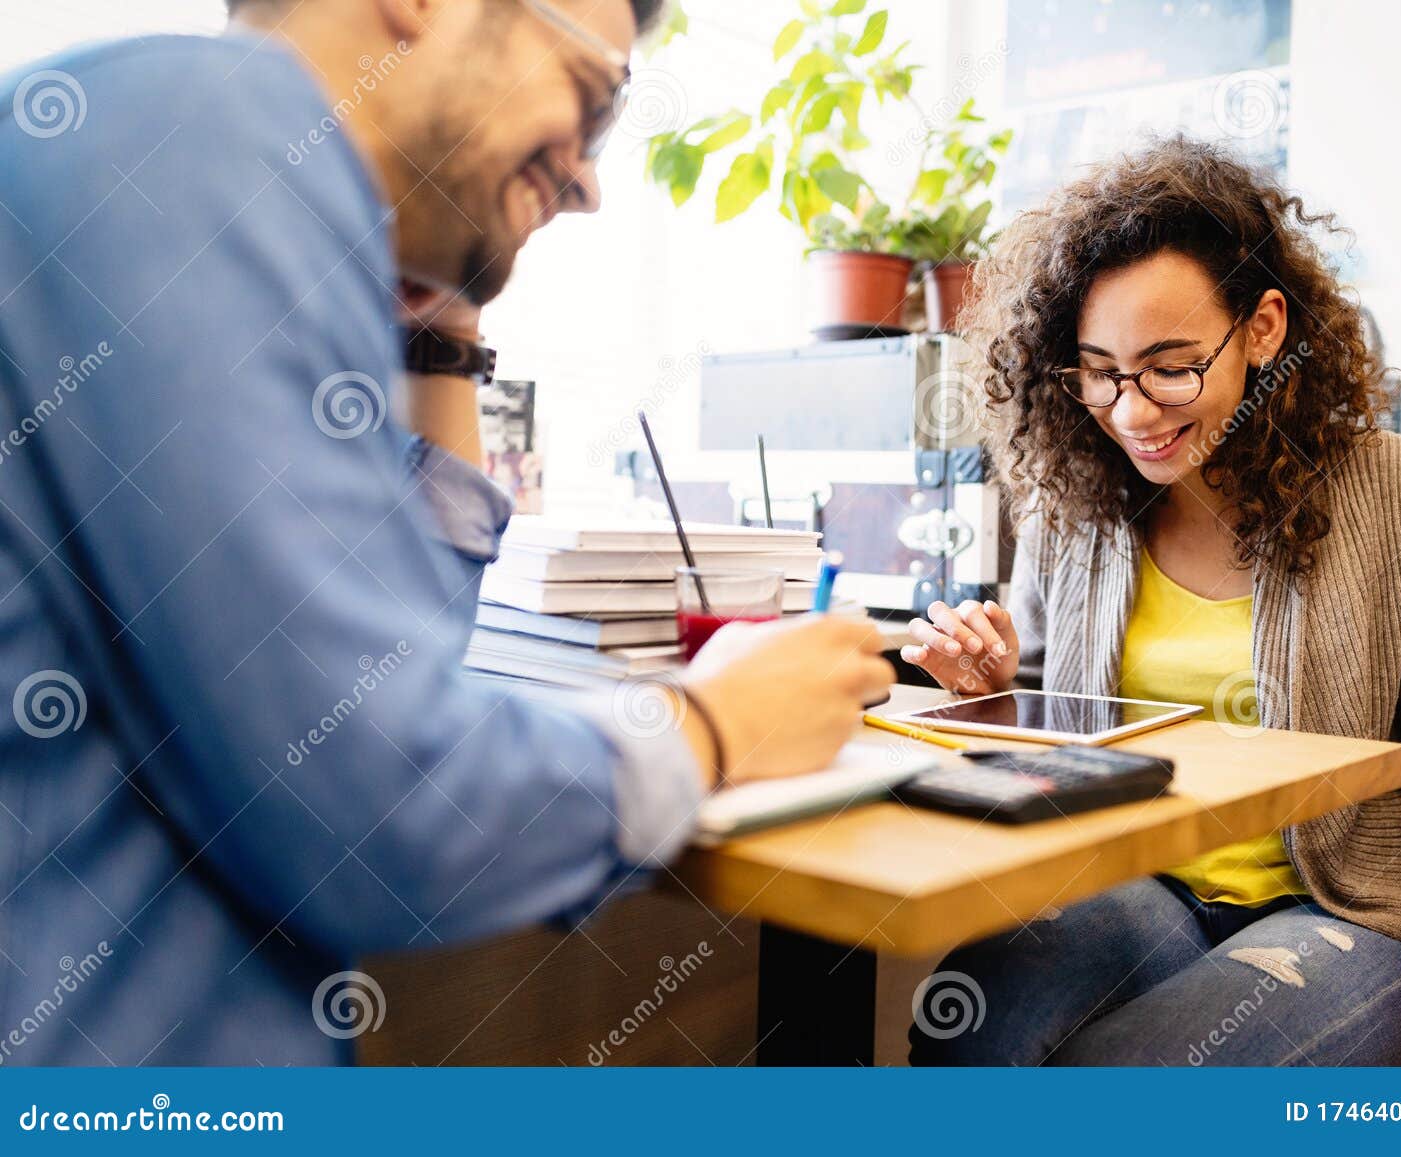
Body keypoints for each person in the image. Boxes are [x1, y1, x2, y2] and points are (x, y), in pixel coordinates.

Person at [0, 0, 893, 1065]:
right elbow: (382, 801)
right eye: (593, 98)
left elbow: (393, 649)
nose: (591, 183)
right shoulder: (200, 129)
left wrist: (443, 337)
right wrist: (710, 725)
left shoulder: (179, 157)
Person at [902, 136, 1401, 1066]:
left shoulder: (1392, 489)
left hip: (1343, 912)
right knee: (963, 1036)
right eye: (1100, 370)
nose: (1134, 411)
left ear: (1263, 328)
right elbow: (1047, 728)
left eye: (1172, 364)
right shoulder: (1073, 505)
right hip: (1139, 884)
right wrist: (988, 691)